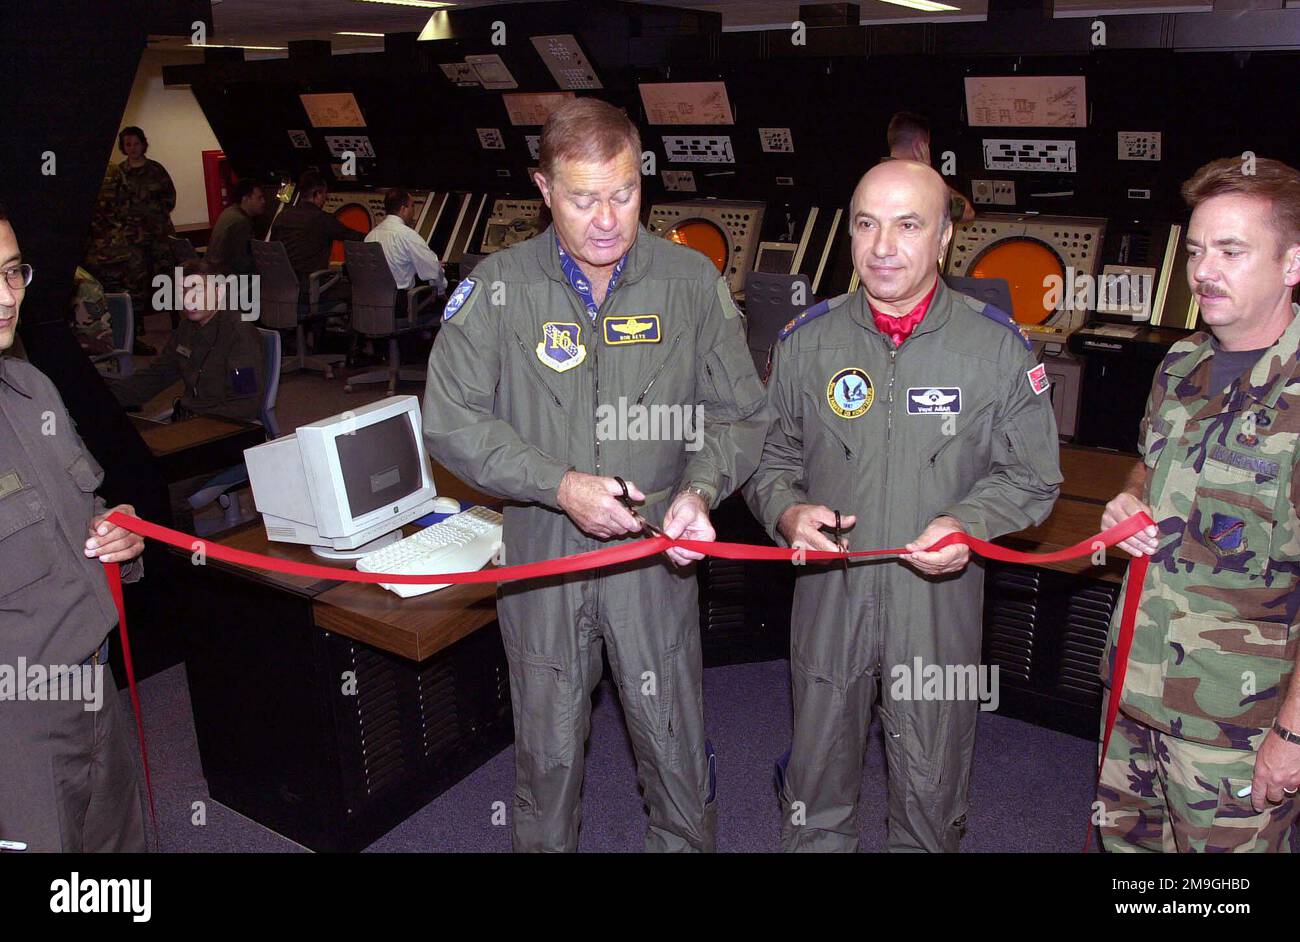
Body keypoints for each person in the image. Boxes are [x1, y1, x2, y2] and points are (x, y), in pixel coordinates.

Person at [422, 97, 767, 852]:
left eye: (624, 194)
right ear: (544, 190)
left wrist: (701, 492)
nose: (608, 219)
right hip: (546, 562)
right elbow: (450, 421)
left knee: (675, 754)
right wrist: (557, 483)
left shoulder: (690, 282)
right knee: (546, 764)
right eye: (583, 199)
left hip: (656, 563)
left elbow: (742, 415)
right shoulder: (498, 290)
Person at [743, 159, 1062, 852]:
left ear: (945, 237)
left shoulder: (997, 349)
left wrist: (969, 523)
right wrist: (786, 513)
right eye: (866, 224)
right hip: (830, 594)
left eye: (907, 225)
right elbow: (769, 461)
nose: (882, 246)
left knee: (929, 783)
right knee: (816, 780)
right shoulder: (807, 342)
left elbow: (1035, 478)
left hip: (936, 607)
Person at [1095, 156, 1300, 853]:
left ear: (1293, 262)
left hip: (1235, 729)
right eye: (1196, 250)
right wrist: (1127, 498)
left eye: (1231, 251)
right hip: (1134, 689)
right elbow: (1149, 469)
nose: (1204, 269)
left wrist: (1293, 736)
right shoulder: (1181, 363)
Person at [0, 201, 149, 852]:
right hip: (19, 726)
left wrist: (122, 533)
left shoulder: (34, 391)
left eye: (10, 273)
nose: (5, 297)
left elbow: (87, 515)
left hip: (95, 686)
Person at [108, 258, 265, 423]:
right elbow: (157, 375)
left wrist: (194, 427)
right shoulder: (187, 328)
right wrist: (104, 397)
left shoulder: (239, 335)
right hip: (192, 417)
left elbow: (245, 405)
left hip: (222, 425)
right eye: (182, 291)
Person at [267, 170, 362, 301]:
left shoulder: (282, 216)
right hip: (311, 288)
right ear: (317, 194)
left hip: (281, 287)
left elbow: (272, 249)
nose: (325, 200)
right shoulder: (322, 219)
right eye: (324, 195)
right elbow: (353, 236)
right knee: (357, 290)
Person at [114, 126, 177, 320]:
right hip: (132, 237)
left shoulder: (156, 169)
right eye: (128, 144)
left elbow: (170, 197)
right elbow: (114, 205)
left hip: (159, 234)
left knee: (166, 275)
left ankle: (174, 318)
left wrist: (155, 216)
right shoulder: (119, 173)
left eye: (136, 144)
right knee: (135, 280)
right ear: (123, 147)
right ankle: (137, 323)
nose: (132, 148)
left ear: (143, 145)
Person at [885, 111, 976, 224]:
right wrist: (928, 175)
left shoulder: (870, 177)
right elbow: (967, 212)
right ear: (920, 146)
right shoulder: (917, 183)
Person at [365, 188, 447, 296]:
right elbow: (433, 272)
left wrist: (419, 265)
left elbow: (393, 265)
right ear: (403, 209)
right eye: (412, 206)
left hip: (371, 298)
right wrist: (441, 290)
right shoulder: (408, 235)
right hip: (400, 303)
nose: (413, 211)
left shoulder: (370, 236)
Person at [206, 178, 267, 276]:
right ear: (246, 199)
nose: (264, 201)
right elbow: (242, 263)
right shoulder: (241, 221)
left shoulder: (229, 211)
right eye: (259, 198)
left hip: (214, 271)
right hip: (226, 277)